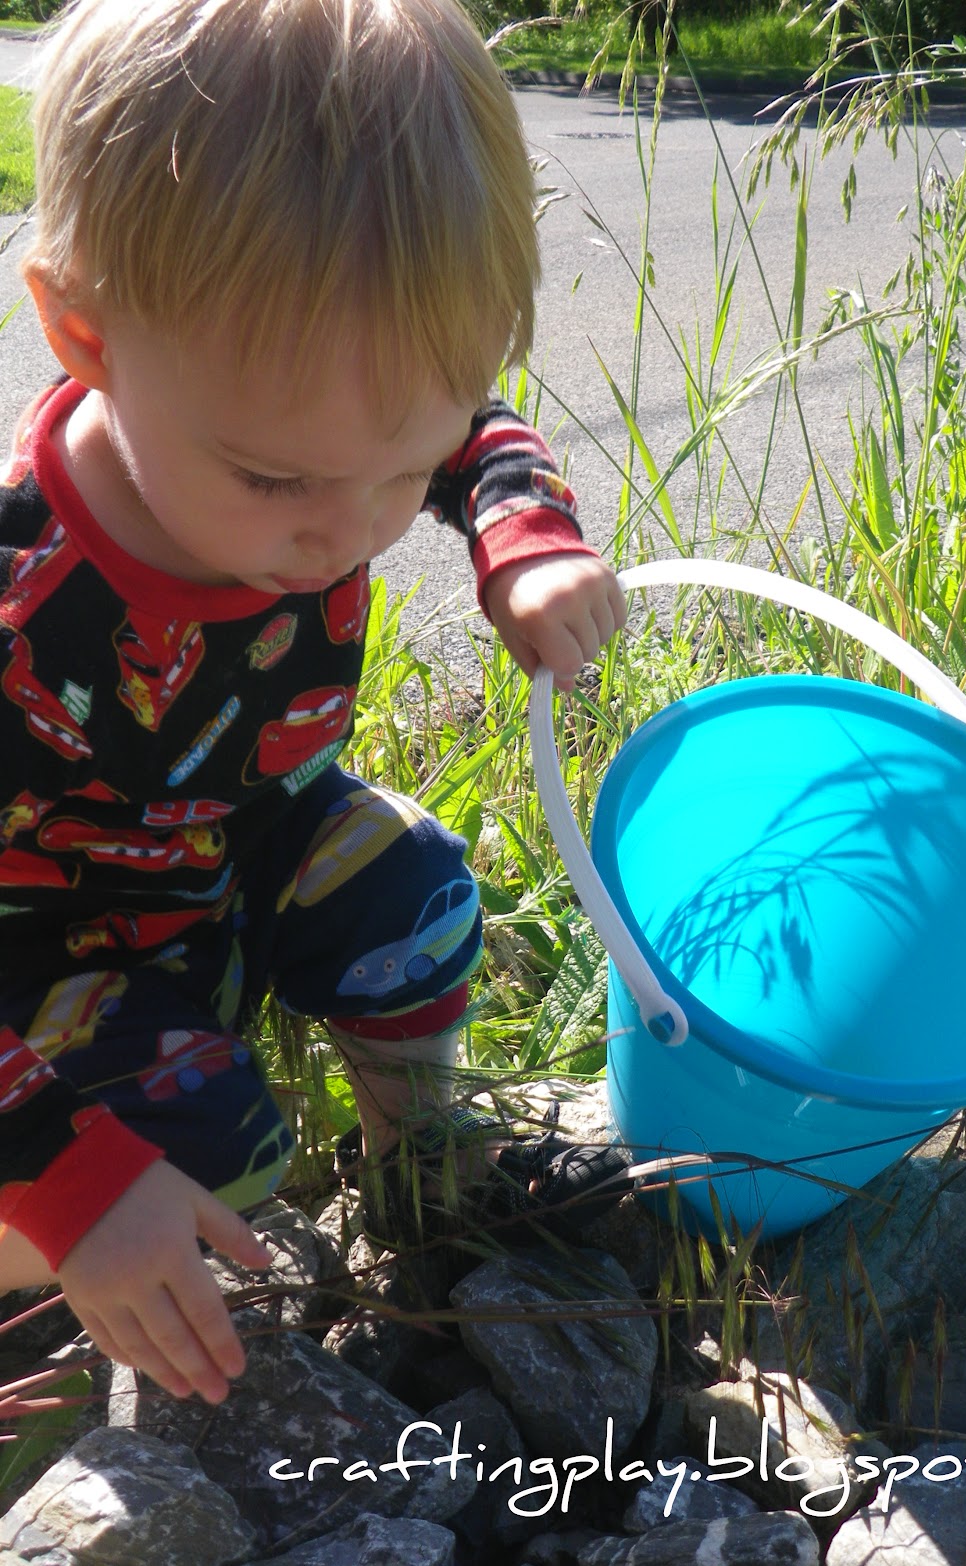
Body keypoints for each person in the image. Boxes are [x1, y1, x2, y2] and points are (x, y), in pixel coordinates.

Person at [0, 0, 629, 1409]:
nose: (346, 532)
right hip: (47, 960)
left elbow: (475, 431)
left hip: (241, 843)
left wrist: (518, 535)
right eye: (277, 482)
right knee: (207, 1141)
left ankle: (423, 1177)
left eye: (395, 471)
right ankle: (48, 1253)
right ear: (83, 331)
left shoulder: (323, 419)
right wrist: (76, 1182)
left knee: (413, 896)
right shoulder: (27, 612)